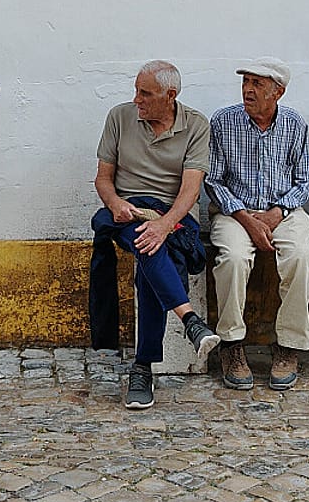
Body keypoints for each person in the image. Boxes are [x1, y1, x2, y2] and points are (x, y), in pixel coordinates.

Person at [91, 60, 220, 410]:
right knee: (146, 239)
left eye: (145, 93)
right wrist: (115, 202)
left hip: (170, 214)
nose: (137, 99)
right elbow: (103, 178)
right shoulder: (119, 117)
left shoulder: (195, 125)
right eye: (136, 90)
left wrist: (164, 225)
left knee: (149, 249)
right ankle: (190, 322)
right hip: (125, 212)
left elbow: (191, 191)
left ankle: (142, 368)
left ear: (170, 95)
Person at [205, 58, 309, 391]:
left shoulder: (294, 124)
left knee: (300, 256)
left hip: (283, 211)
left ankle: (289, 346)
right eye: (246, 82)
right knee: (234, 259)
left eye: (257, 84)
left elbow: (304, 179)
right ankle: (232, 344)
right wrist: (244, 217)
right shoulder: (223, 121)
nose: (248, 90)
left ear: (278, 92)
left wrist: (277, 213)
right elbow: (213, 180)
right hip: (234, 212)